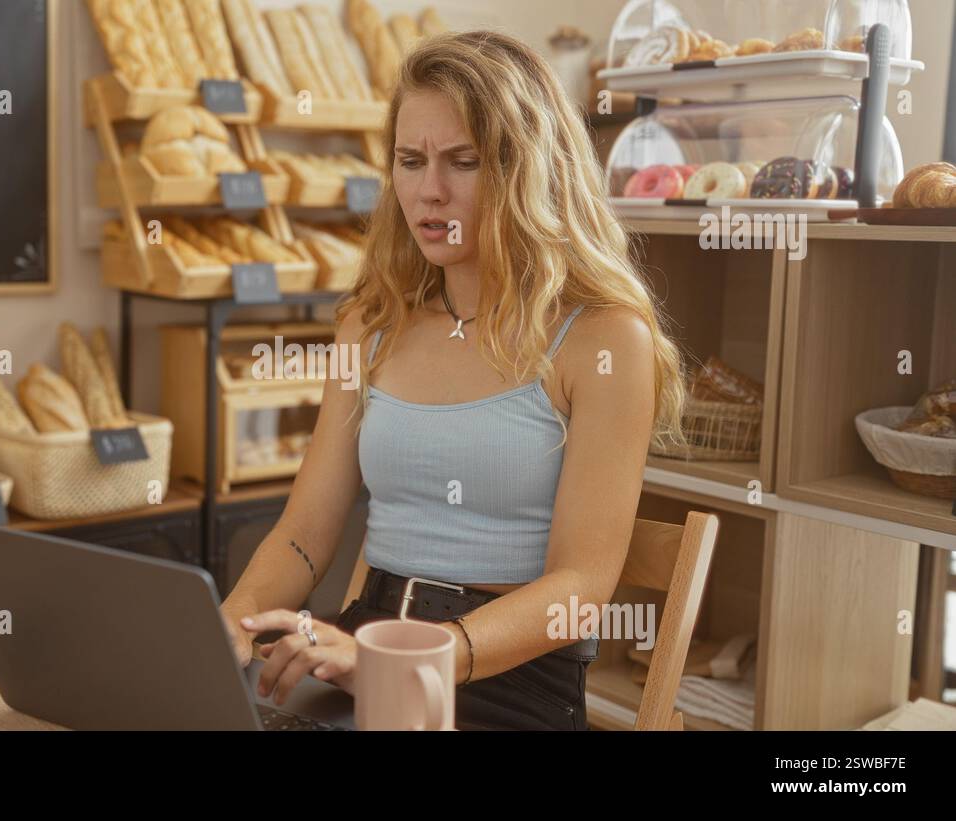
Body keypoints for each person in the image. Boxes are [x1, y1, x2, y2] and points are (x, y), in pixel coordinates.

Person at [218, 29, 687, 730]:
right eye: (411, 161)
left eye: (462, 162)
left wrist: (414, 658)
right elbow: (304, 533)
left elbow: (581, 590)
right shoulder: (370, 326)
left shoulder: (603, 340)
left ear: (528, 169)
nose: (428, 191)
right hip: (359, 650)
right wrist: (228, 624)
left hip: (507, 686)